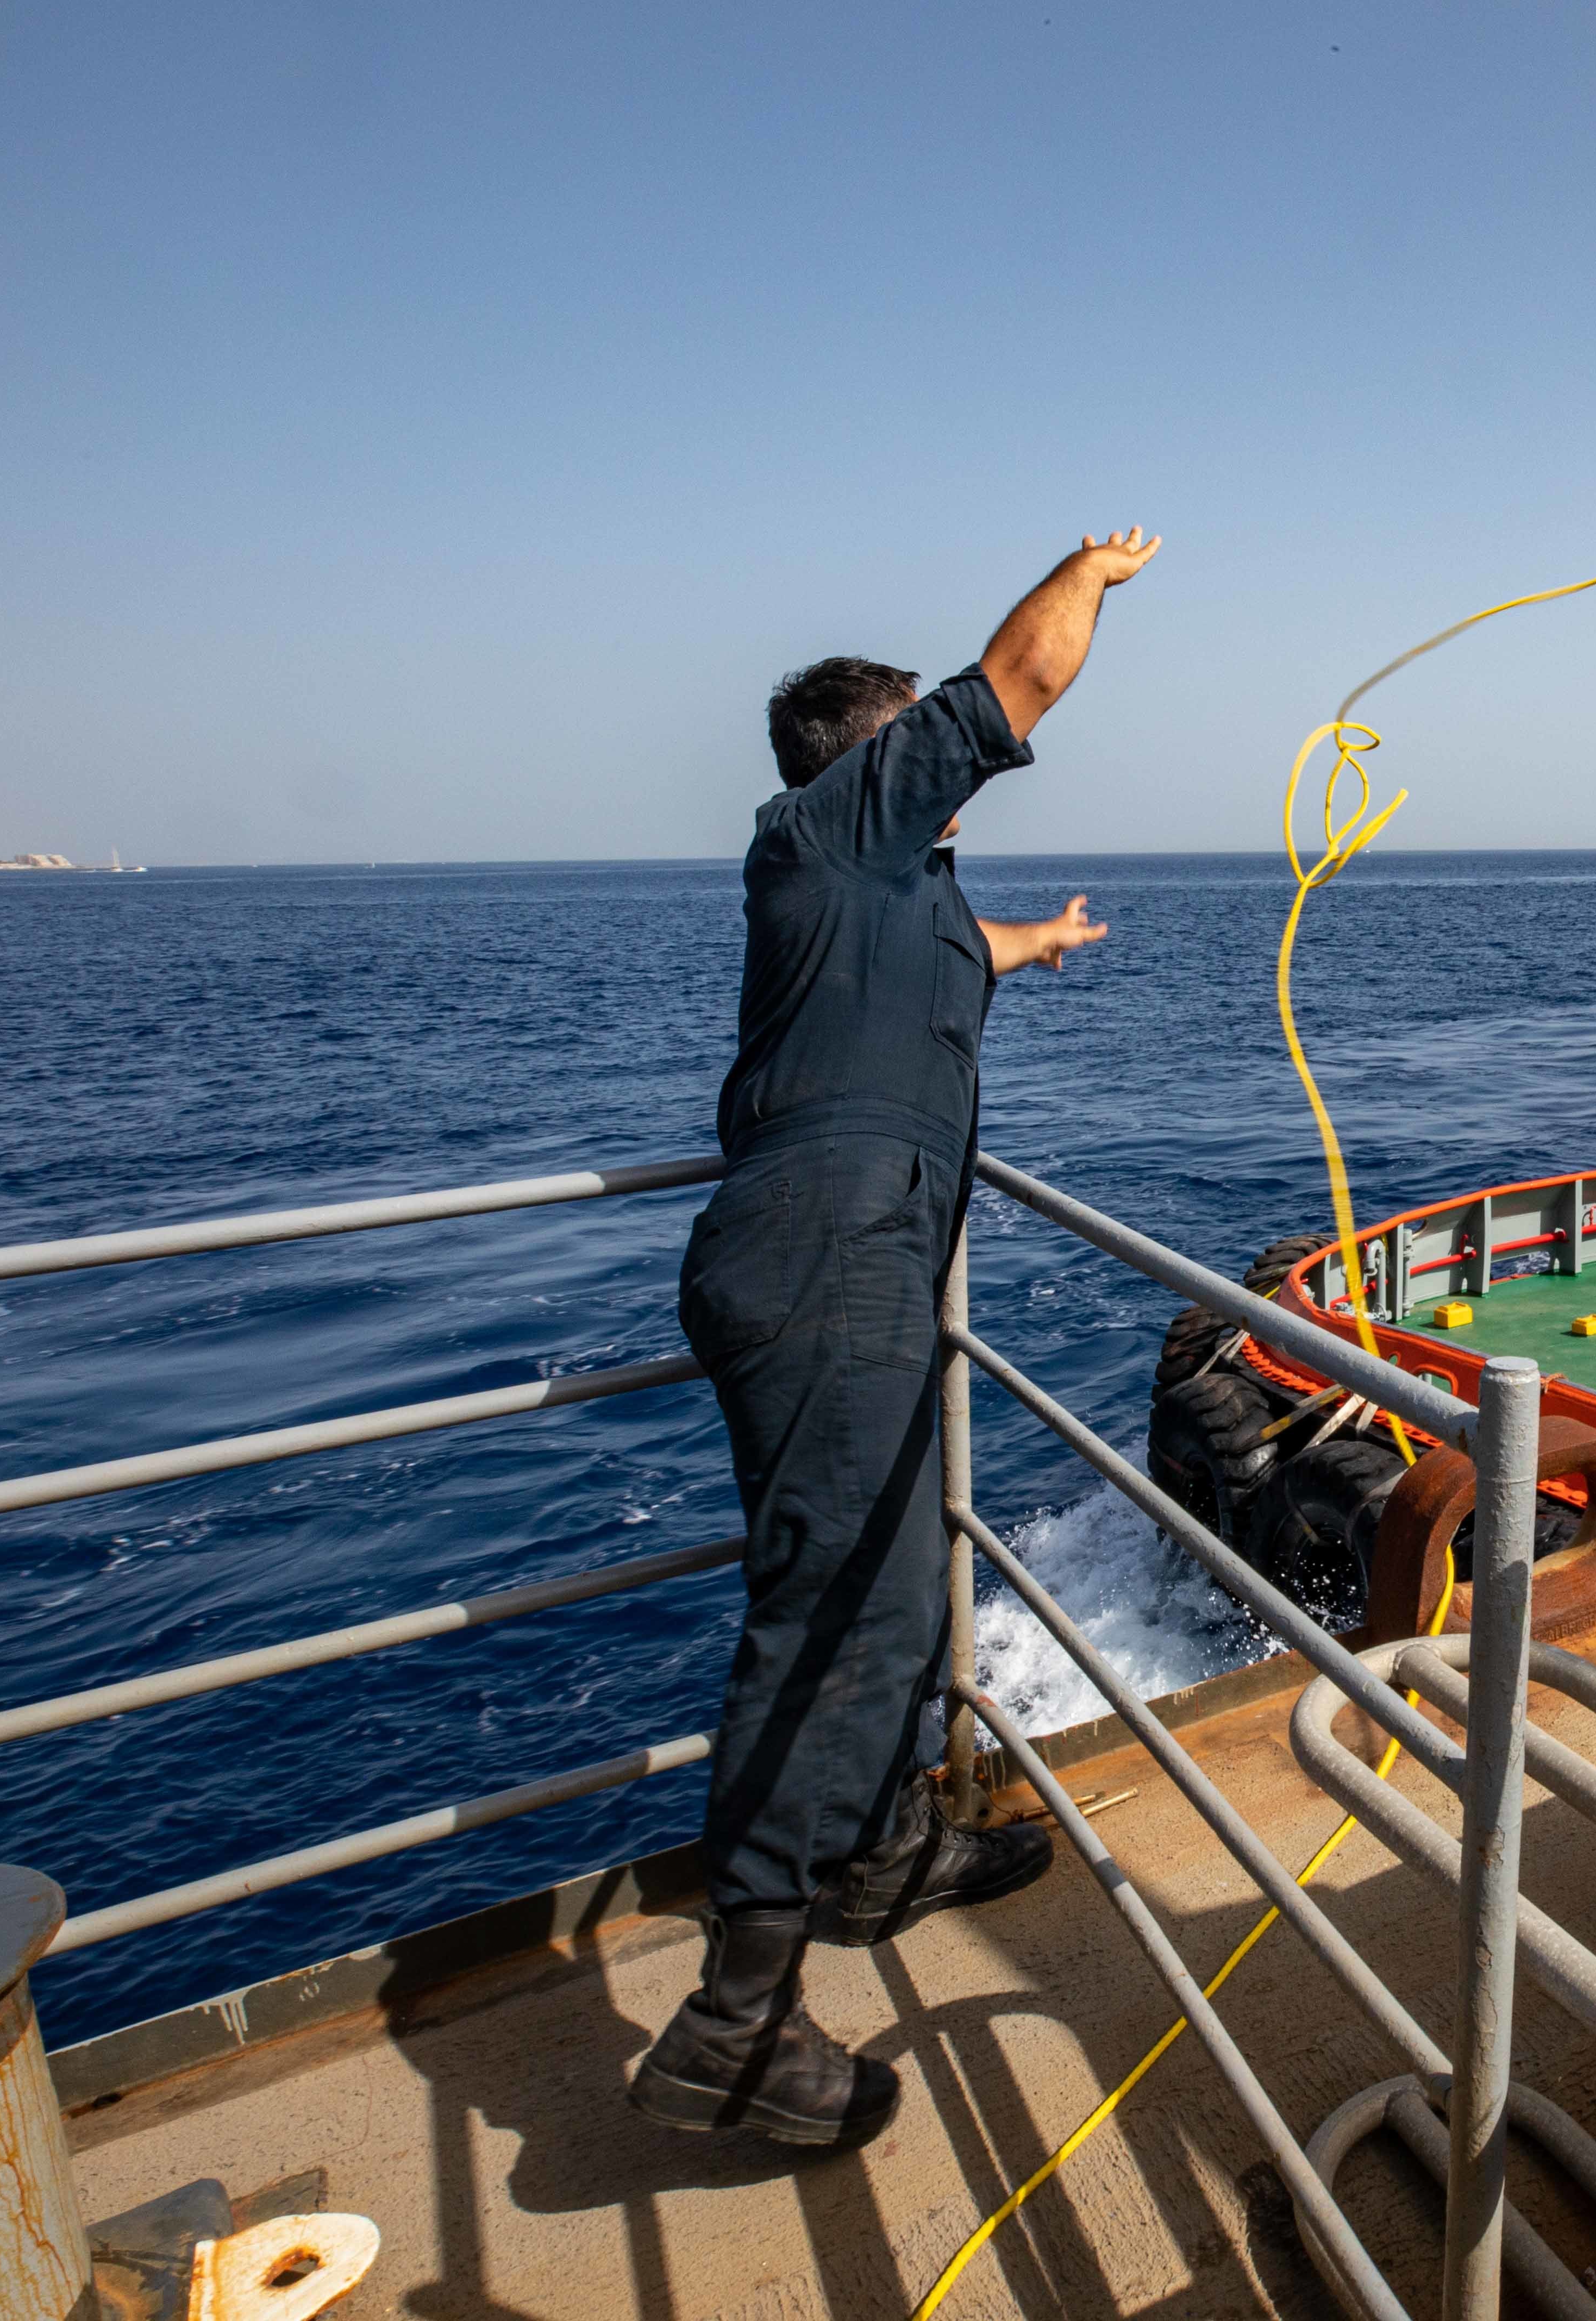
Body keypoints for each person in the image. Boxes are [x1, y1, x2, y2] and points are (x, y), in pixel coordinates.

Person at [630, 528, 1159, 2145]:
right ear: (876, 757)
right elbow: (1029, 675)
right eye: (923, 729)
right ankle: (733, 2024)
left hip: (859, 1259)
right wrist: (1093, 564)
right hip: (828, 1255)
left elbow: (950, 950)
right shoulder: (825, 827)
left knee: (886, 1565)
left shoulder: (899, 891)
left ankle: (877, 1851)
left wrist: (1037, 944)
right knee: (836, 1618)